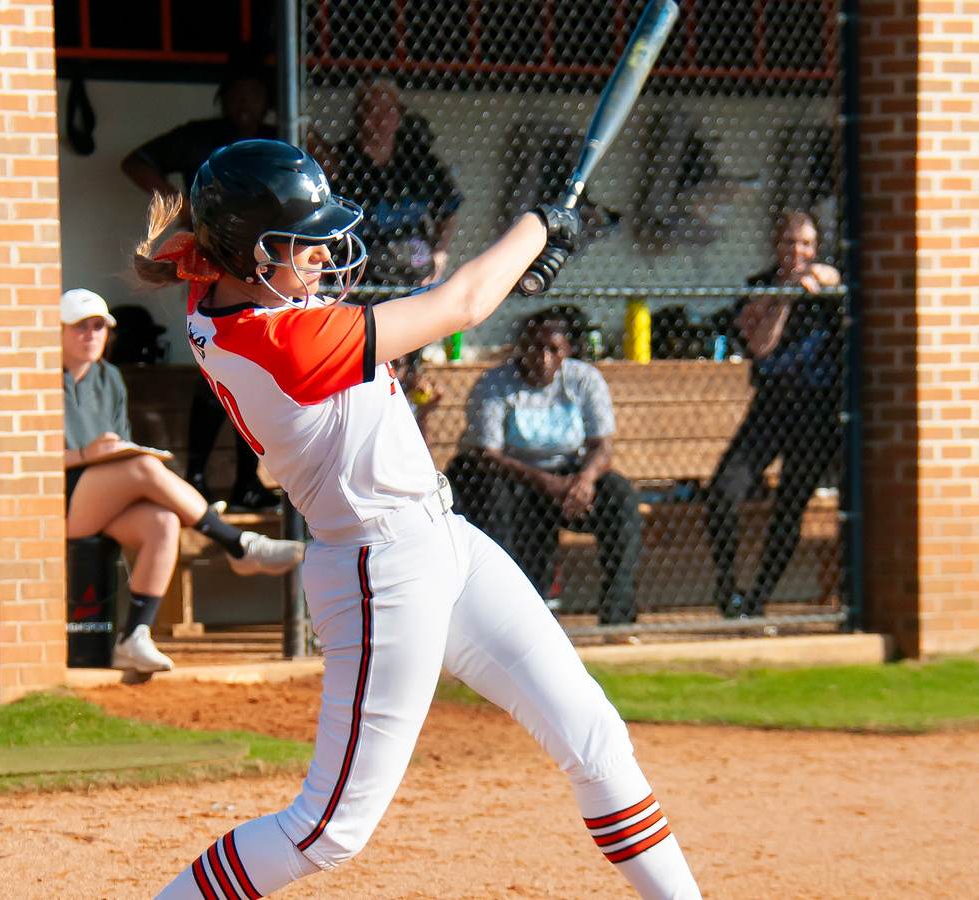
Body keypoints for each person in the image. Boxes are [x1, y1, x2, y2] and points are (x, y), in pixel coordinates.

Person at [131, 140, 701, 900]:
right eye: (303, 240)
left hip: (446, 541)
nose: (324, 251)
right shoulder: (275, 341)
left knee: (596, 741)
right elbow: (461, 304)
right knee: (327, 830)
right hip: (378, 572)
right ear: (247, 250)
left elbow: (457, 297)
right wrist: (538, 225)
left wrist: (510, 266)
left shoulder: (230, 287)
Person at [59, 288, 304, 675]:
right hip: (58, 502)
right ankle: (236, 544)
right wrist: (89, 455)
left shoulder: (109, 377)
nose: (91, 335)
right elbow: (29, 461)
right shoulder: (39, 381)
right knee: (143, 468)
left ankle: (133, 638)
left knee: (163, 521)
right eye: (79, 327)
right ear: (56, 332)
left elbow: (116, 448)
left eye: (98, 327)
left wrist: (110, 453)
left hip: (103, 501)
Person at [121, 62, 280, 511]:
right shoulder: (199, 135)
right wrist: (185, 209)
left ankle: (247, 482)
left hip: (262, 268)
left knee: (250, 366)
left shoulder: (277, 135)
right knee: (218, 363)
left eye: (254, 93)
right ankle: (196, 478)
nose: (245, 103)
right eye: (237, 93)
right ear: (223, 98)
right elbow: (135, 162)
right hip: (211, 261)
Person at [447, 308, 642, 626]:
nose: (543, 357)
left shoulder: (583, 379)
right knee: (496, 497)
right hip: (509, 477)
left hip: (568, 478)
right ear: (521, 348)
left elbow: (602, 446)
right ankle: (504, 617)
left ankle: (618, 615)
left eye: (553, 348)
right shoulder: (495, 384)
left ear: (567, 351)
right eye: (535, 347)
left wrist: (586, 481)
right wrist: (546, 483)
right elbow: (487, 455)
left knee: (620, 495)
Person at [704, 210, 843, 619]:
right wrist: (785, 296)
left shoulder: (826, 283)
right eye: (789, 242)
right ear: (775, 245)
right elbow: (761, 346)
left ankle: (759, 598)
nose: (796, 251)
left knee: (790, 505)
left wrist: (818, 280)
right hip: (770, 407)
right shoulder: (759, 287)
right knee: (724, 491)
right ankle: (728, 586)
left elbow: (834, 278)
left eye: (805, 244)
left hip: (816, 413)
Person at [309, 78, 462, 289]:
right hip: (357, 280)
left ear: (398, 117)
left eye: (388, 111)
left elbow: (448, 209)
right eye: (371, 110)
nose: (380, 119)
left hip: (413, 277)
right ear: (358, 116)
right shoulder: (341, 163)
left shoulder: (418, 162)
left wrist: (439, 254)